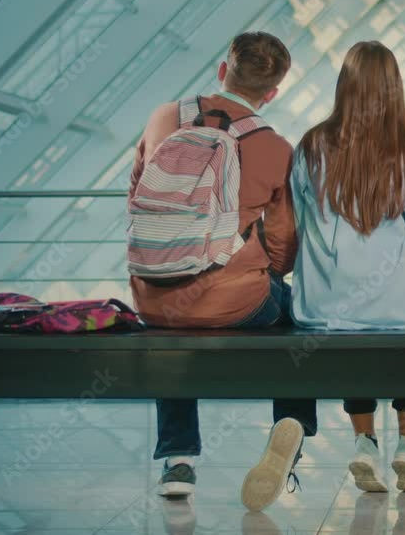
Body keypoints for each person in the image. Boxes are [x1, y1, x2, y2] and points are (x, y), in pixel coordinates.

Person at [128, 32, 316, 511]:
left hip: (155, 296)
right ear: (272, 93)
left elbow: (137, 196)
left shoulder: (164, 117)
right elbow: (283, 243)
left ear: (221, 69)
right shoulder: (274, 147)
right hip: (238, 301)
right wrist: (265, 273)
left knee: (171, 327)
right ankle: (289, 433)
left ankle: (178, 460)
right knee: (300, 320)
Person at [290, 41, 405, 493]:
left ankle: (364, 442)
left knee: (351, 337)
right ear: (394, 90)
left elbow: (302, 230)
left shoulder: (311, 148)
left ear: (345, 86)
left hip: (329, 303)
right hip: (398, 299)